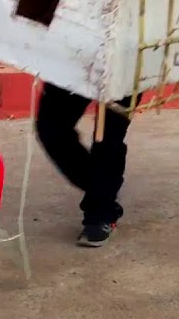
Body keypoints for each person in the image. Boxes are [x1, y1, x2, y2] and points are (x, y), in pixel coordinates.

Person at [35, 83, 133, 247]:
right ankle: (103, 192)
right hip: (76, 62)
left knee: (109, 137)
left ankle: (101, 212)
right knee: (51, 127)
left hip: (125, 65)